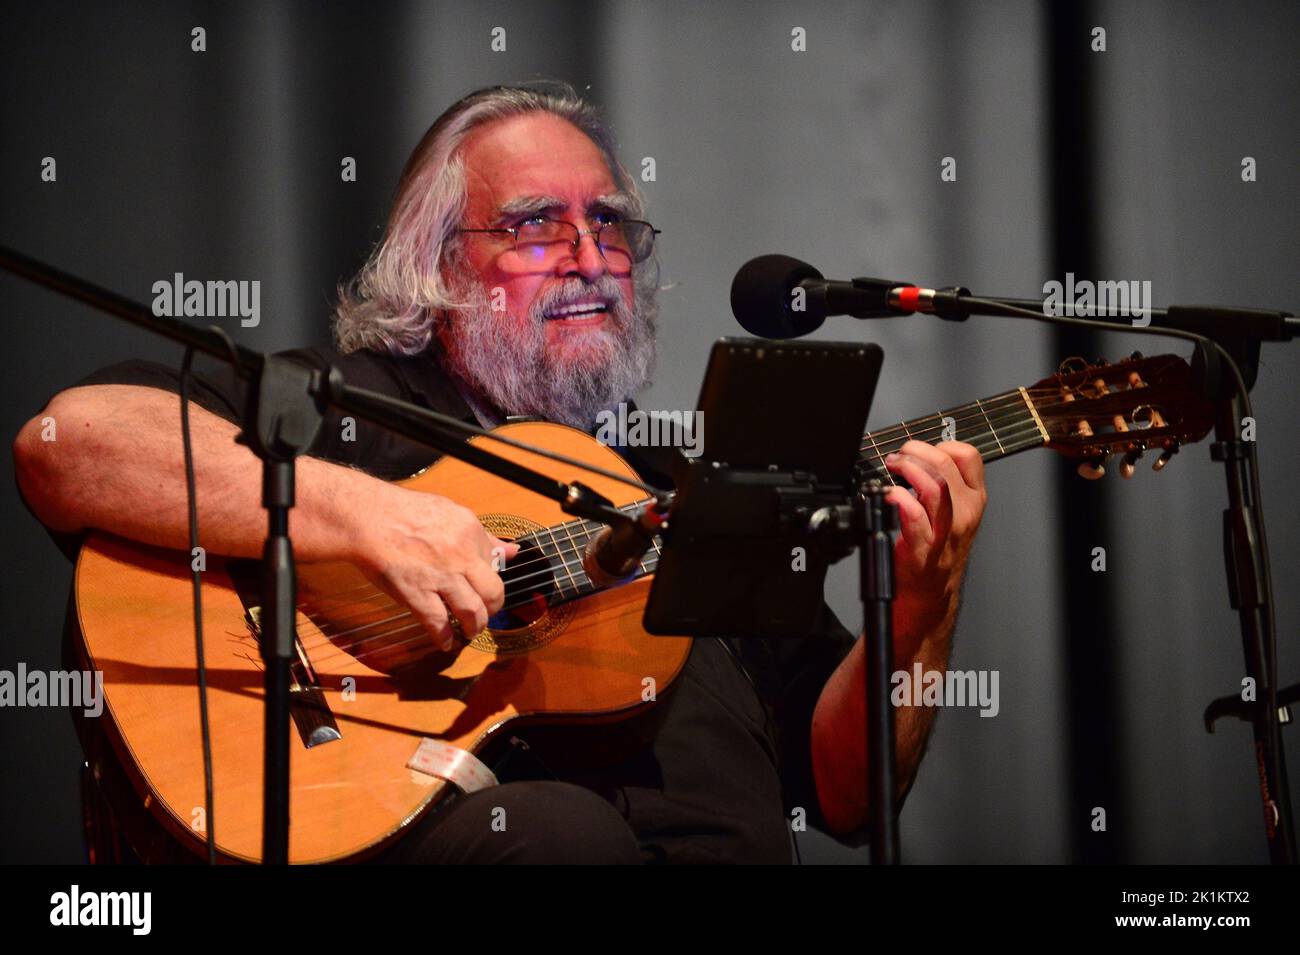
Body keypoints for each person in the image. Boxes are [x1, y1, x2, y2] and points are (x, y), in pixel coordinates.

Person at [12, 83, 987, 864]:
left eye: (610, 226)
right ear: (434, 266)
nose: (589, 258)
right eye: (533, 226)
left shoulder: (684, 484)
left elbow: (848, 792)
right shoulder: (335, 405)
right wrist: (362, 518)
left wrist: (923, 604)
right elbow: (70, 445)